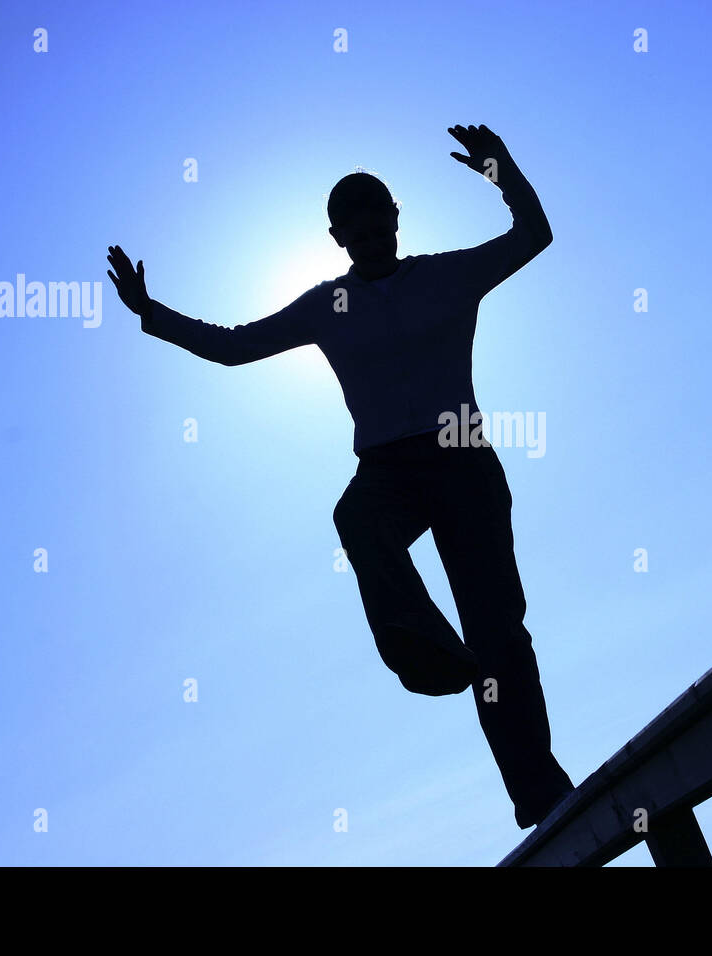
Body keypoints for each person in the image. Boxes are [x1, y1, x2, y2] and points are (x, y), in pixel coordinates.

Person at [106, 124, 574, 830]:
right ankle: (427, 648)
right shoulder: (329, 305)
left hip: (463, 460)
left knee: (499, 633)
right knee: (356, 518)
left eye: (381, 218)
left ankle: (538, 792)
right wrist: (152, 314)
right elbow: (237, 347)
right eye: (358, 227)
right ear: (339, 238)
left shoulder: (447, 274)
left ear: (395, 219)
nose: (374, 233)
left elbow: (533, 234)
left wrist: (497, 168)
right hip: (388, 467)